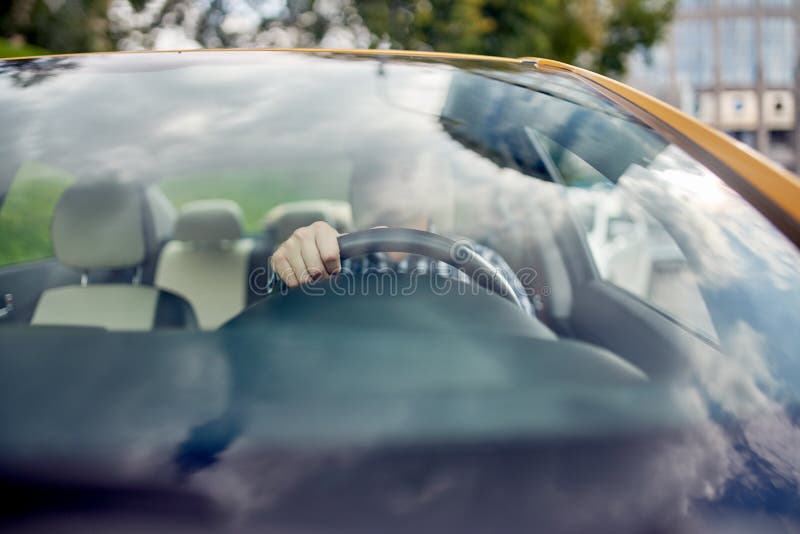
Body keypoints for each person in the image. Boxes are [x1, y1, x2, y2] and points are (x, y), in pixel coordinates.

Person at [268, 149, 535, 317]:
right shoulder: (322, 266)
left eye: (406, 159)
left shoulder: (483, 268)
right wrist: (288, 271)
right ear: (355, 185)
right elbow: (269, 351)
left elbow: (529, 360)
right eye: (372, 165)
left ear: (436, 180)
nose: (390, 172)